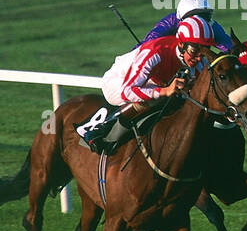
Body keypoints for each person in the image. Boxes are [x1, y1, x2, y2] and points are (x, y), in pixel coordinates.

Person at [79, 16, 216, 153]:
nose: (199, 58)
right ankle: (101, 130)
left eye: (203, 52)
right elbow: (127, 90)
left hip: (151, 81)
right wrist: (164, 91)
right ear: (181, 44)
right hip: (118, 83)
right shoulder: (155, 52)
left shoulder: (198, 60)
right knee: (158, 99)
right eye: (194, 51)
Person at [141, 0, 232, 51]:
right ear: (181, 19)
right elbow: (148, 44)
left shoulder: (210, 25)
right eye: (193, 17)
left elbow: (231, 48)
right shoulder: (171, 22)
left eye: (204, 16)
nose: (199, 21)